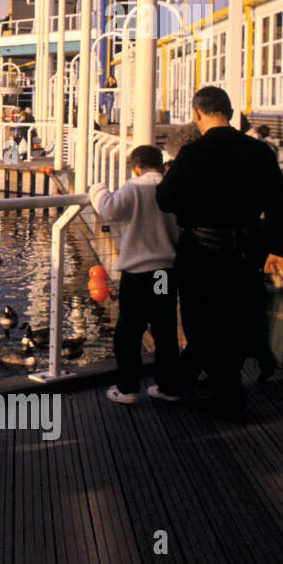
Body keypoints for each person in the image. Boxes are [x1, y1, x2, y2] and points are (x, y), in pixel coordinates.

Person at [156, 86, 283, 423]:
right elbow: (278, 204)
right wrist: (279, 248)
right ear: (230, 113)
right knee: (236, 316)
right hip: (247, 249)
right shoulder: (259, 152)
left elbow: (166, 200)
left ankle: (224, 397)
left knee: (200, 320)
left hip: (202, 251)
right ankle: (221, 388)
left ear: (196, 113)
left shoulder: (193, 153)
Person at [90, 145, 181, 405]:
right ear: (161, 164)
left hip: (138, 273)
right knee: (164, 328)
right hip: (164, 272)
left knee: (129, 330)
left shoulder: (135, 187)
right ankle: (169, 386)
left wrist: (98, 188)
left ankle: (128, 388)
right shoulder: (170, 186)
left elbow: (108, 209)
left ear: (135, 167)